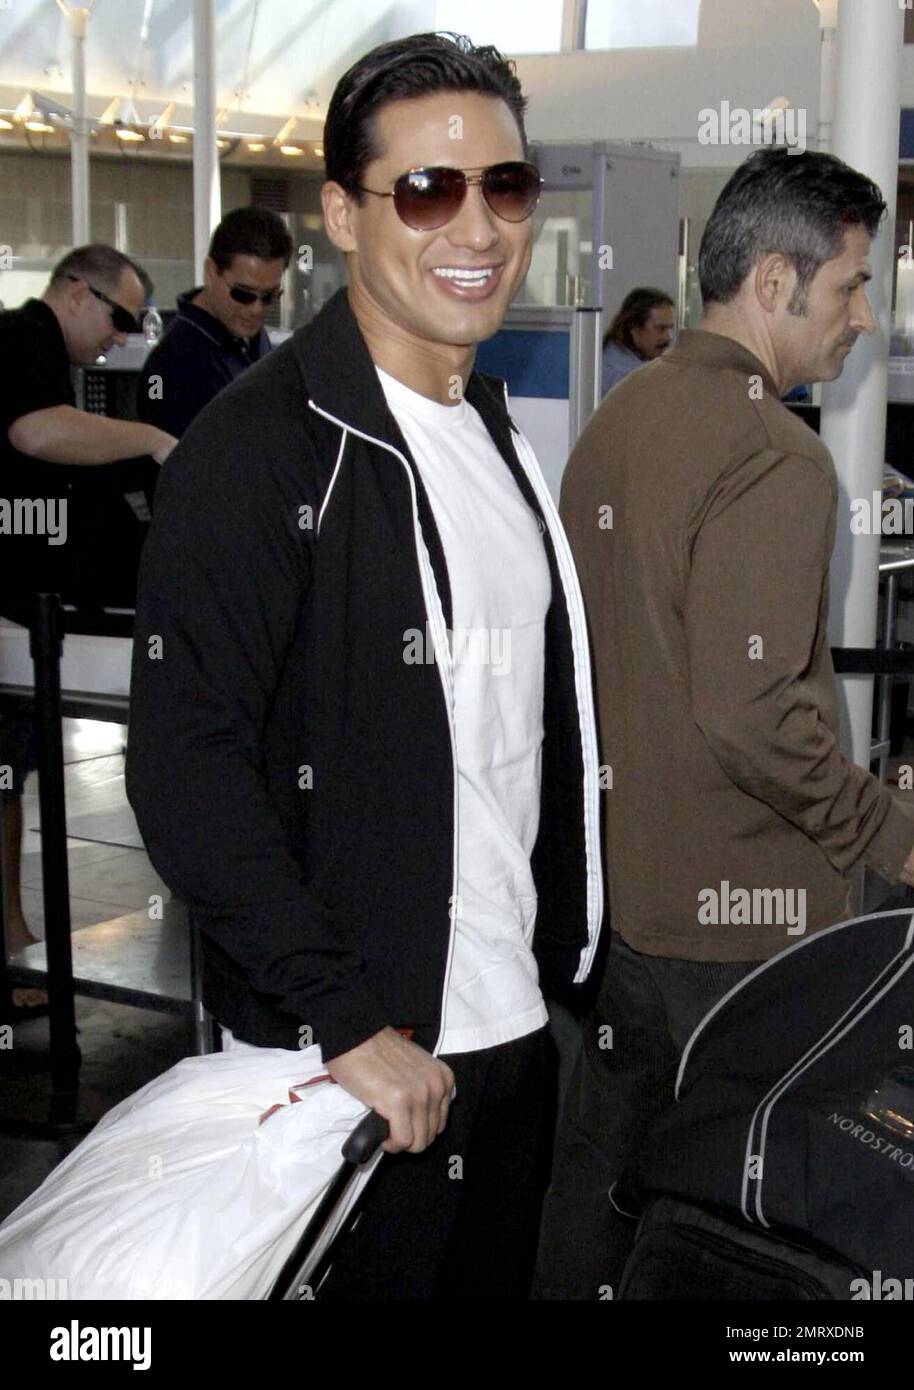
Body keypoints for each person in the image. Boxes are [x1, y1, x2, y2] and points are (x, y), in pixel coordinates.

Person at [125, 31, 603, 1301]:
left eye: (504, 187)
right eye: (429, 190)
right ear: (341, 213)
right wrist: (340, 1019)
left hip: (507, 1031)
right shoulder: (263, 451)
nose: (479, 226)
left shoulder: (493, 430)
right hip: (360, 1059)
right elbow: (184, 766)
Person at [537, 146, 914, 1299]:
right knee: (743, 1205)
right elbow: (751, 714)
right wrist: (887, 832)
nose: (864, 316)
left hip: (619, 897)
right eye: (849, 285)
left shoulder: (623, 412)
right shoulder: (774, 457)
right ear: (770, 281)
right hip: (734, 918)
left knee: (598, 1164)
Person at [0, 245, 176, 1023]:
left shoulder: (38, 349)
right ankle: (9, 944)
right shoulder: (22, 338)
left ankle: (11, 939)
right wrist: (151, 441)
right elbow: (37, 434)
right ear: (75, 290)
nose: (122, 337)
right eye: (118, 317)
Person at [137, 207, 294, 439]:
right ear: (211, 272)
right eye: (243, 294)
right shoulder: (172, 363)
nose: (256, 309)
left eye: (270, 296)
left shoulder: (249, 338)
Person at [600, 286, 675, 395]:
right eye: (660, 328)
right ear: (635, 329)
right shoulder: (622, 376)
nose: (668, 337)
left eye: (670, 328)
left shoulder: (613, 354)